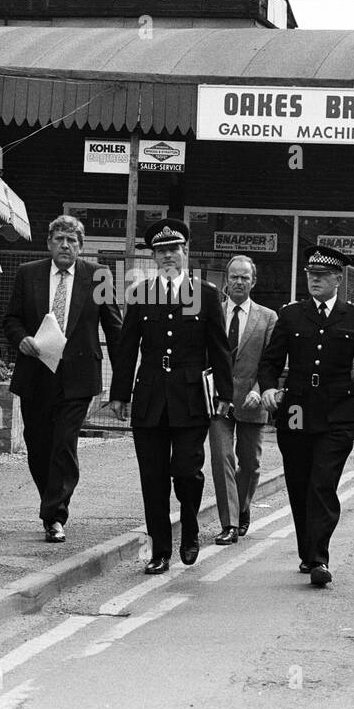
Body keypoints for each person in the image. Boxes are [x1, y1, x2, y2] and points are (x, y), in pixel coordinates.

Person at [258, 245, 354, 586]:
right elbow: (271, 362)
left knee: (322, 484)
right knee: (300, 483)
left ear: (337, 279)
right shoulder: (290, 315)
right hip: (297, 411)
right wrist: (269, 387)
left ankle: (319, 559)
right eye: (310, 275)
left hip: (337, 413)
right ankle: (308, 552)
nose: (314, 280)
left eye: (321, 276)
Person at [109, 218, 233, 574]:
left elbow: (219, 349)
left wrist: (225, 393)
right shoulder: (141, 293)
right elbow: (127, 347)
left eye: (173, 250)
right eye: (160, 252)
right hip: (149, 398)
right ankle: (159, 550)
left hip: (190, 399)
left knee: (186, 471)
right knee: (153, 477)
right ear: (154, 257)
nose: (167, 257)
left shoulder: (205, 294)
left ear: (184, 252)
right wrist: (119, 394)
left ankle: (190, 526)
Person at [4, 215, 123, 544]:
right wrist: (21, 339)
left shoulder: (98, 276)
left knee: (64, 444)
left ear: (81, 247)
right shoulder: (28, 274)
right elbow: (11, 319)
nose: (65, 245)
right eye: (59, 239)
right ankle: (50, 501)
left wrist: (124, 385)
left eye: (72, 240)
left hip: (78, 378)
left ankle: (55, 516)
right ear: (49, 243)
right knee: (38, 446)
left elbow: (115, 329)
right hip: (36, 375)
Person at [207, 255, 277, 545]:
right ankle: (230, 523)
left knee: (250, 463)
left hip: (252, 400)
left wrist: (259, 390)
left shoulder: (268, 317)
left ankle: (244, 506)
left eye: (244, 277)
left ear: (254, 282)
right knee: (222, 459)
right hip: (218, 402)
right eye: (233, 277)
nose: (238, 282)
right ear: (226, 280)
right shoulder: (212, 312)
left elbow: (273, 362)